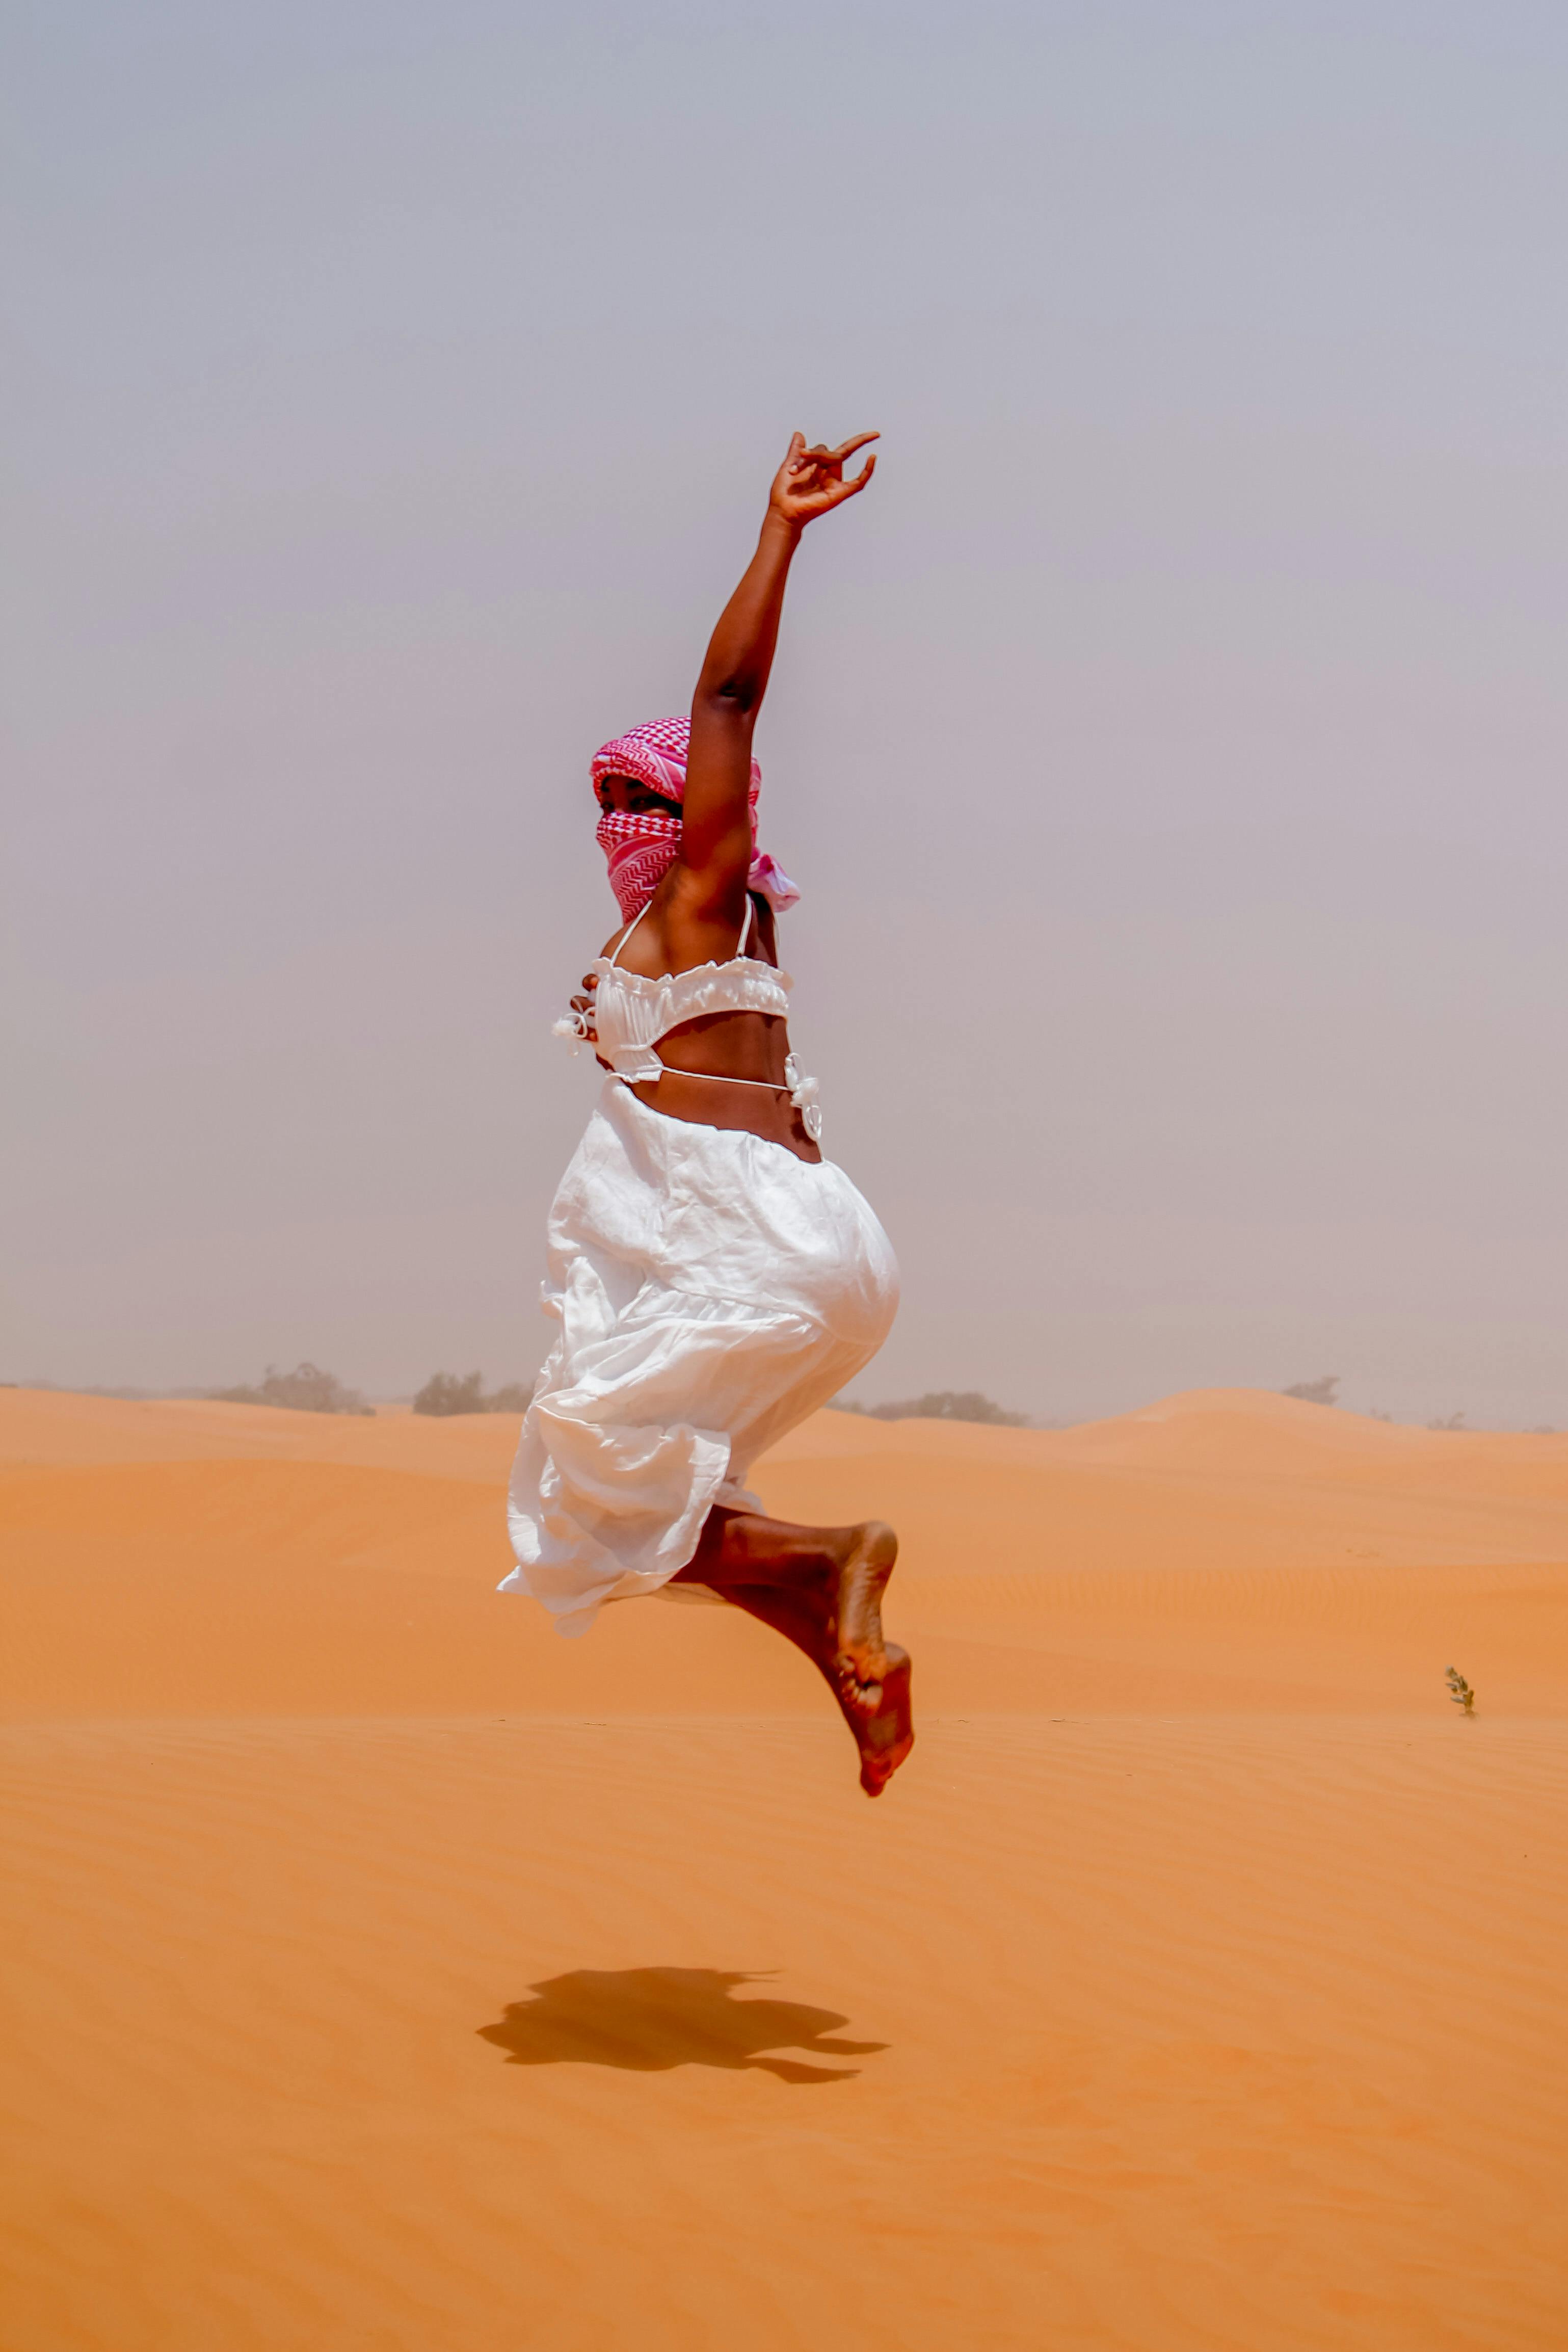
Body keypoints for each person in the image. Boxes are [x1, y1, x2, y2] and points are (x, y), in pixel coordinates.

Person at [501, 432, 911, 1795]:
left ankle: (837, 1560)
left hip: (751, 1249)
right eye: (606, 794)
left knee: (595, 1491)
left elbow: (728, 699)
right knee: (630, 1513)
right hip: (812, 1246)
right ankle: (837, 1649)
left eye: (644, 795)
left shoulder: (701, 893)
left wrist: (780, 532)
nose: (620, 813)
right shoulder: (694, 936)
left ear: (699, 816)